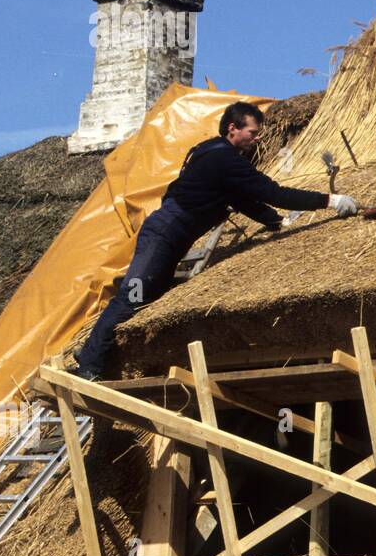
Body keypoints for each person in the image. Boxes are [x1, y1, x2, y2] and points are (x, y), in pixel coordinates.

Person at [73, 101, 358, 379]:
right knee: (133, 295)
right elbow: (274, 192)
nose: (257, 138)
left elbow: (241, 199)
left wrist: (274, 221)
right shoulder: (224, 158)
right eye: (253, 132)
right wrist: (330, 200)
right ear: (233, 128)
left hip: (171, 235)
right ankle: (89, 364)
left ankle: (94, 353)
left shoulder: (209, 152)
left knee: (148, 299)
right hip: (164, 233)